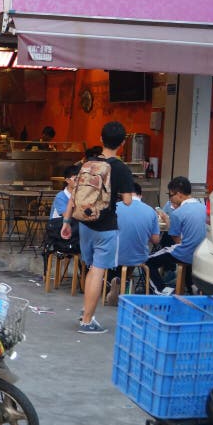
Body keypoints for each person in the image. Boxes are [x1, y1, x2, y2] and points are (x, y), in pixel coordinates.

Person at [61, 121, 135, 334]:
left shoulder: (88, 163)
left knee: (91, 267)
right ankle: (86, 320)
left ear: (101, 139)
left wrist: (66, 222)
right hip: (105, 226)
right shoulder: (120, 167)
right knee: (98, 271)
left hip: (84, 223)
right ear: (122, 142)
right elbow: (129, 200)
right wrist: (114, 194)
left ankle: (86, 309)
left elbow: (74, 194)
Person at [146, 176, 207, 294]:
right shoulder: (204, 208)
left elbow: (176, 239)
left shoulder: (178, 213)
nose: (170, 199)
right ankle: (192, 288)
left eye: (171, 195)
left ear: (179, 194)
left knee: (147, 262)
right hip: (200, 254)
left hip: (185, 252)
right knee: (186, 261)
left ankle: (162, 291)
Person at [105, 182, 161, 305]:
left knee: (110, 252)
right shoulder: (150, 211)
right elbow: (155, 240)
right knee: (134, 252)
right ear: (141, 195)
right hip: (139, 257)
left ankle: (113, 283)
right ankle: (124, 284)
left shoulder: (114, 207)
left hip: (115, 257)